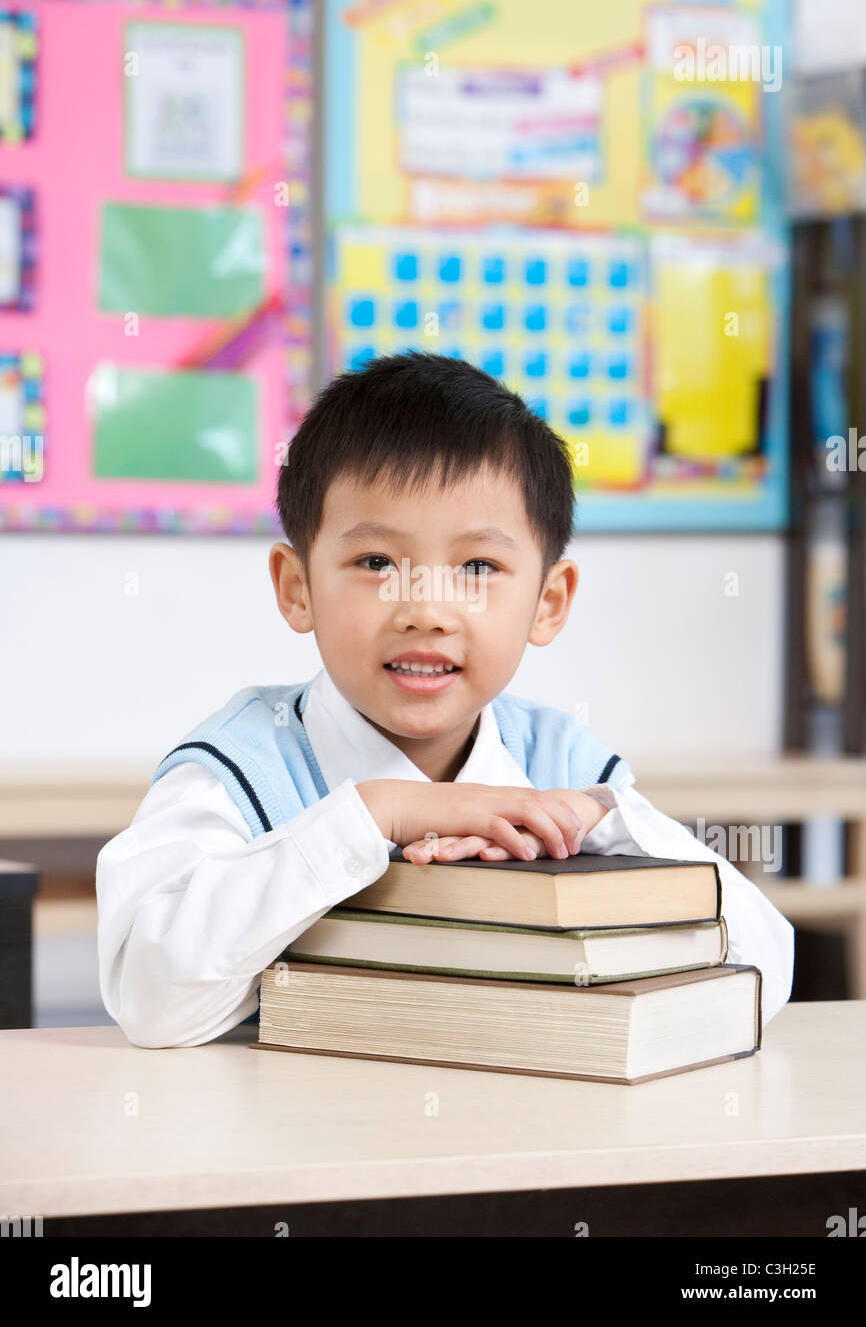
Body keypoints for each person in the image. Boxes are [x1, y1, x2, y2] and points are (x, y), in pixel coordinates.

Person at [96, 351, 794, 1047]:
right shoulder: (239, 771)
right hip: (299, 1137)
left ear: (548, 603)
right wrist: (376, 814)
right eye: (377, 563)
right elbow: (147, 998)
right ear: (297, 586)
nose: (425, 608)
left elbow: (768, 967)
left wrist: (607, 820)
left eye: (478, 567)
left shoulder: (568, 769)